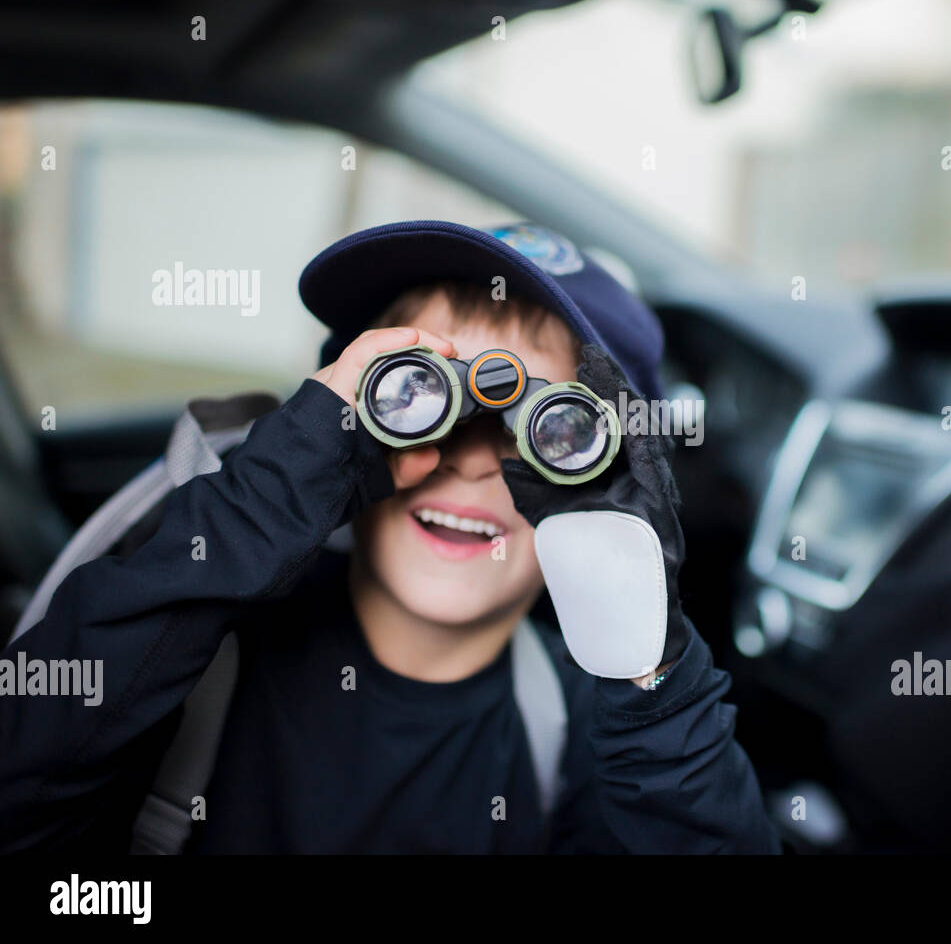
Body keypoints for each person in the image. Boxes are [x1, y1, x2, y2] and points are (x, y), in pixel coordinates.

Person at [0, 220, 782, 854]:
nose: (474, 460)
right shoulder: (196, 660)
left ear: (615, 476)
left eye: (547, 429)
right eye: (416, 394)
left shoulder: (597, 735)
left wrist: (647, 665)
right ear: (342, 431)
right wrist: (265, 497)